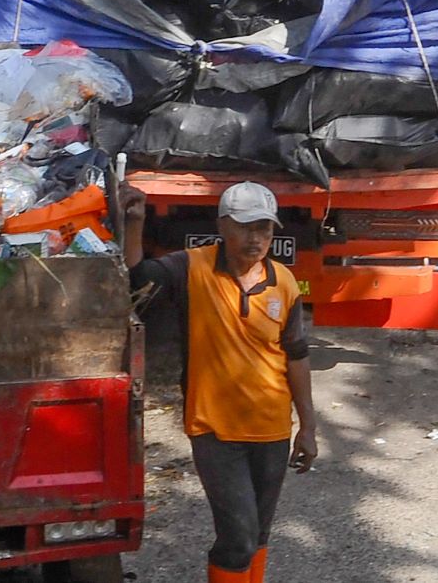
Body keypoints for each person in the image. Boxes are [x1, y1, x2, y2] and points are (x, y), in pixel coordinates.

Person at [121, 180, 318, 583]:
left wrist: (308, 427)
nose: (256, 238)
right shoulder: (191, 268)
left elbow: (296, 356)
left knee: (258, 535)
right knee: (238, 538)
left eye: (264, 228)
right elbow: (136, 277)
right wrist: (135, 223)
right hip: (215, 430)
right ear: (223, 225)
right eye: (246, 227)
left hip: (272, 430)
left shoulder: (283, 281)